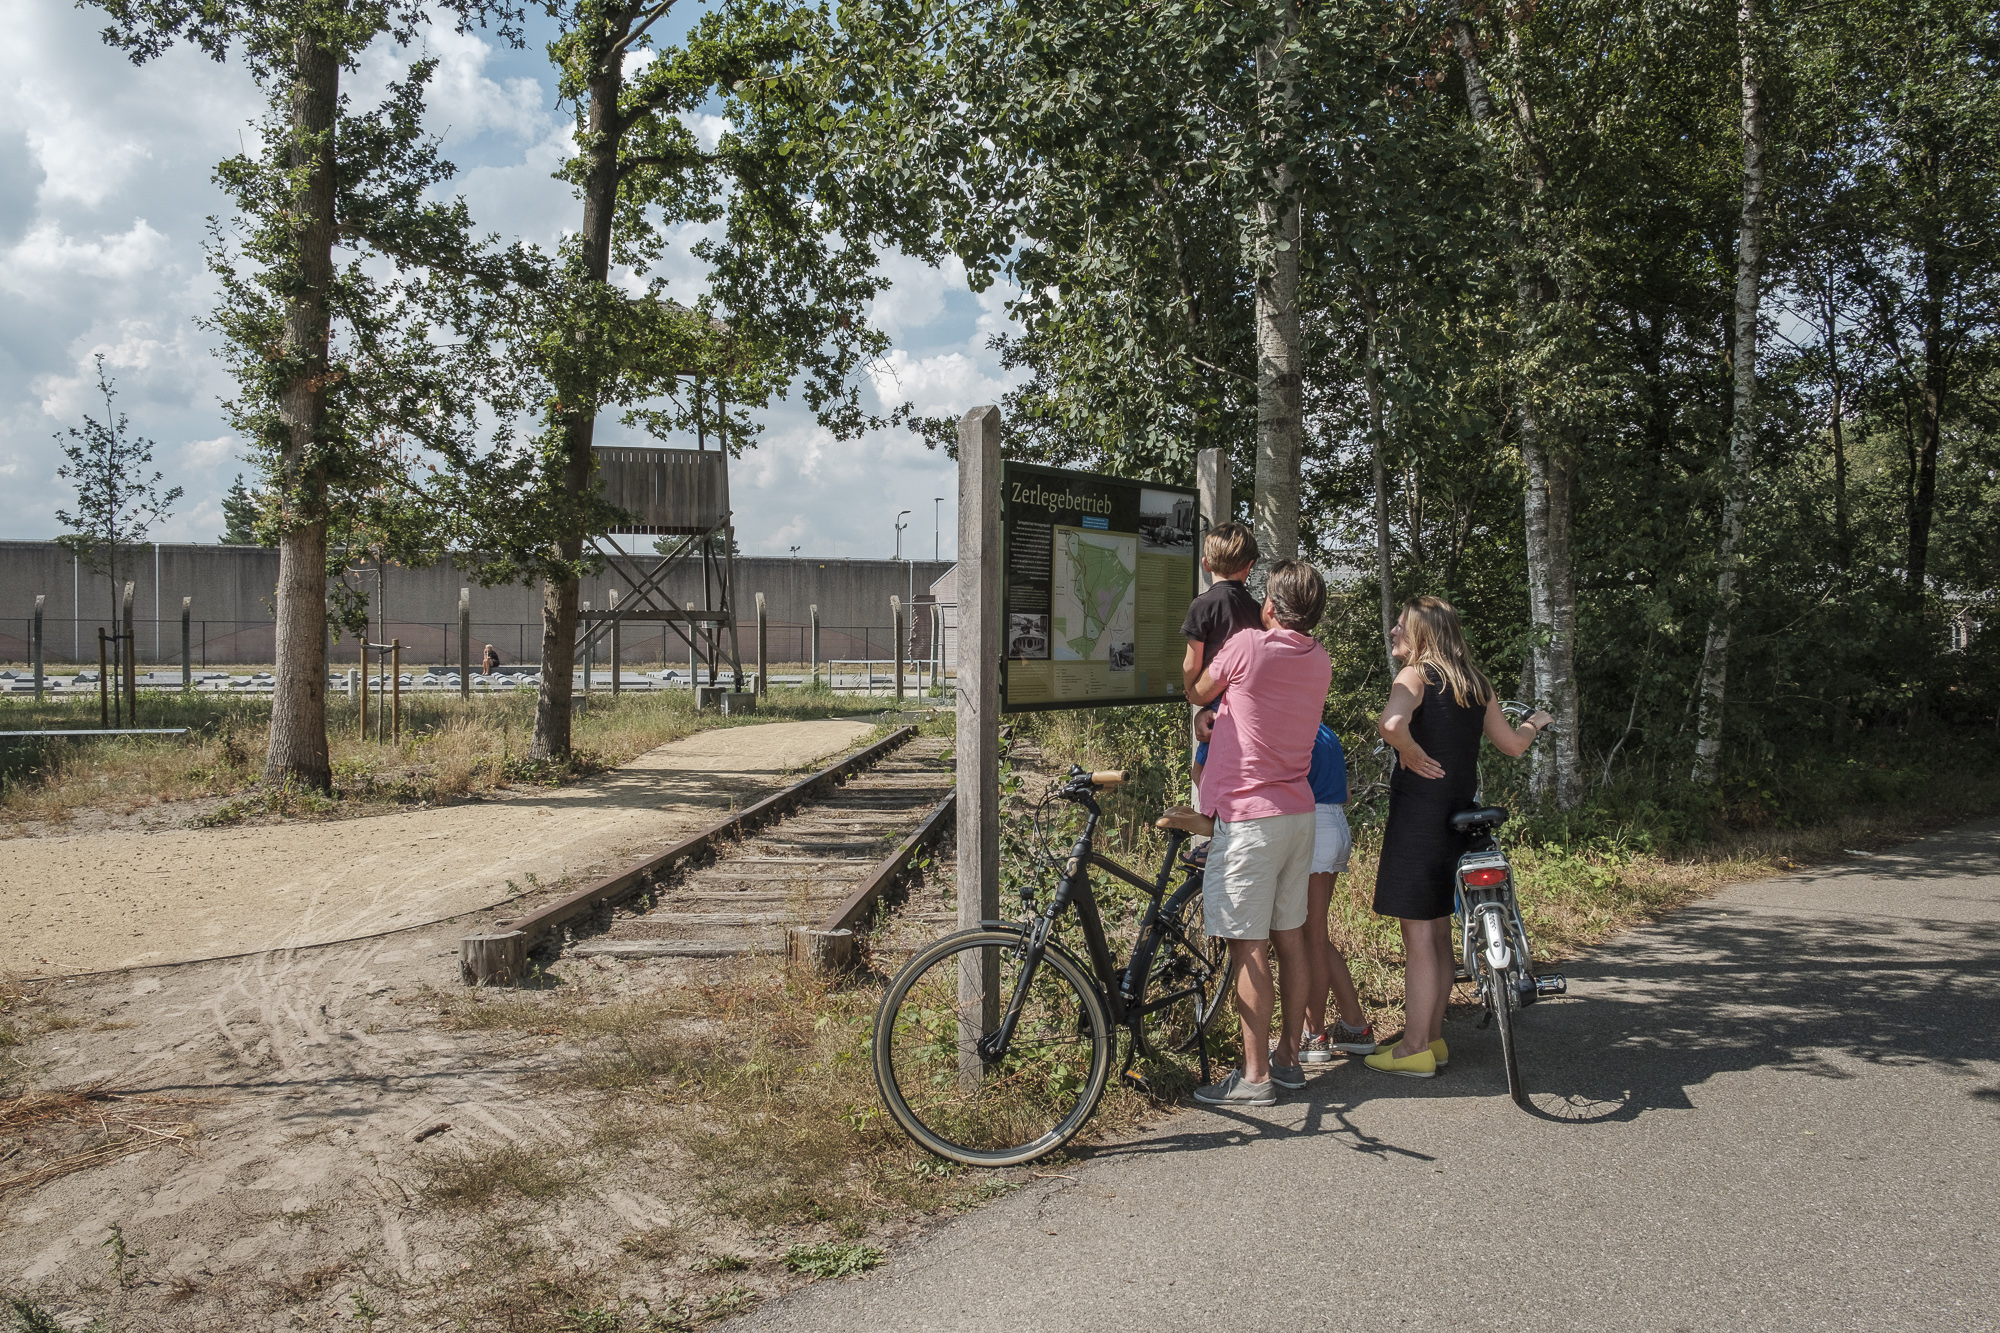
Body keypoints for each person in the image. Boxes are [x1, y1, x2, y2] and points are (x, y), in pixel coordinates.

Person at [1365, 597, 1551, 1078]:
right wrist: (1534, 722)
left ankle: (1412, 1048)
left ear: (1423, 633)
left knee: (1419, 937)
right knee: (1440, 932)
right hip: (1459, 819)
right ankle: (1433, 1040)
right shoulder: (1476, 683)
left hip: (1419, 817)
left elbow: (1391, 724)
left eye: (1401, 625)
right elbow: (1513, 745)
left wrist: (1409, 750)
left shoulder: (1416, 676)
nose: (1393, 631)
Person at [1184, 559, 1331, 1107]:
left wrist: (1201, 699)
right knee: (1290, 937)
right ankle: (1288, 1060)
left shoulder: (1246, 645)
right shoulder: (1319, 659)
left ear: (1270, 606)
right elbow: (1260, 707)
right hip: (1298, 813)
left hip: (1250, 819)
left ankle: (1253, 1077)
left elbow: (1197, 688)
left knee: (1248, 945)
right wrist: (1221, 716)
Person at [1196, 712, 1377, 1062]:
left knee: (1307, 938)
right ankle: (1354, 1024)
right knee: (1315, 935)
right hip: (1334, 823)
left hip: (1303, 820)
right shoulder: (1319, 728)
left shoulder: (1242, 719)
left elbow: (1204, 777)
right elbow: (1346, 792)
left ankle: (1314, 1034)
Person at [1180, 522, 1262, 804]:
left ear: (1206, 564)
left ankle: (1216, 819)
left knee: (1200, 772)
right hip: (1248, 700)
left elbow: (1191, 663)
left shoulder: (1202, 605)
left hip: (1216, 702)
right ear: (1248, 567)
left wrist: (1190, 689)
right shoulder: (1257, 609)